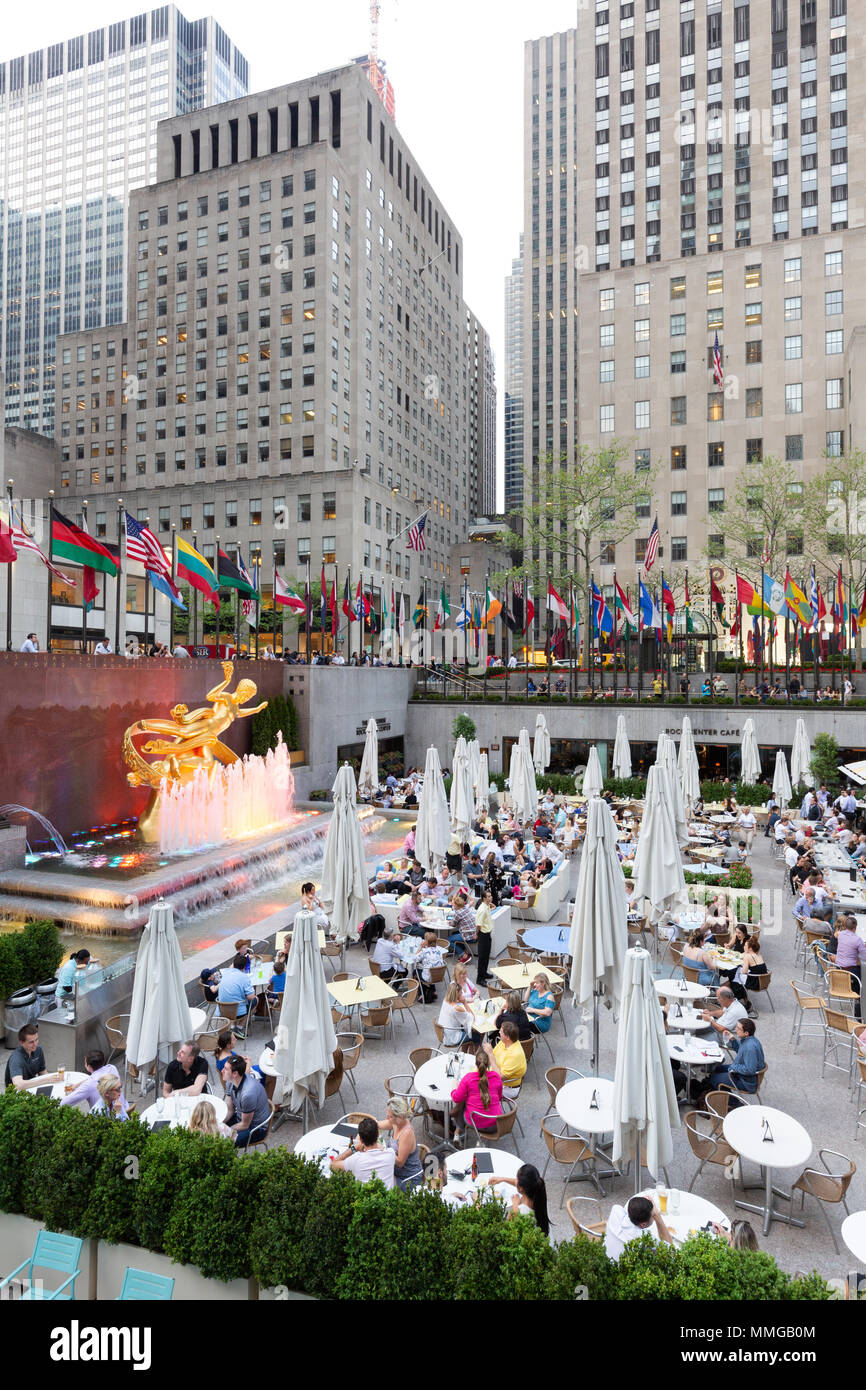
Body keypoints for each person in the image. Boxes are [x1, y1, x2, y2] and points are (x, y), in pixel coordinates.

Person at [450, 1045, 504, 1141]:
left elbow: (456, 1098)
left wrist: (454, 1086)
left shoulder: (468, 1078)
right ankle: (457, 1133)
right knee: (467, 1099)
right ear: (489, 1063)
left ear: (475, 1063)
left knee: (464, 1101)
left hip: (475, 1123)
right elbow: (499, 1098)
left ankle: (458, 1132)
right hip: (496, 1124)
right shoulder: (496, 1077)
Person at [330, 1115, 396, 1188]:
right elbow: (380, 1149)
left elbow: (333, 1165)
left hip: (364, 1197)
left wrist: (354, 1148)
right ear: (377, 1135)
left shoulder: (356, 1159)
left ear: (361, 1140)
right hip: (388, 1197)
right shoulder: (390, 1153)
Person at [486, 1163, 551, 1236]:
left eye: (516, 1178)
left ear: (521, 1188)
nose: (515, 1180)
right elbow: (522, 1184)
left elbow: (504, 1233)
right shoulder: (539, 1196)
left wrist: (515, 1205)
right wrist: (502, 1179)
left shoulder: (518, 1211)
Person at [706, 1018, 766, 1095]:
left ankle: (735, 1103)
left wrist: (734, 1067)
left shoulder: (749, 1048)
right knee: (716, 1069)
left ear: (746, 1033)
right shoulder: (749, 1040)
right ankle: (719, 1091)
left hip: (746, 1082)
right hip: (742, 1072)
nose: (735, 1029)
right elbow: (741, 1052)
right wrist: (733, 1040)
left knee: (714, 1078)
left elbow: (750, 1070)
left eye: (738, 1028)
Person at [604, 1196, 674, 1260]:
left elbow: (629, 1205)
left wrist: (641, 1203)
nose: (654, 1216)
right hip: (621, 1270)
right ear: (643, 1224)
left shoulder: (615, 1210)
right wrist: (657, 1215)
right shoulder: (643, 1238)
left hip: (605, 1256)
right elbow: (670, 1249)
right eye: (653, 1216)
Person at [223, 1056, 271, 1148]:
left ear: (235, 1073)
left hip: (255, 1128)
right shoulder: (230, 1081)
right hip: (240, 1118)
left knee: (223, 1144)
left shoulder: (248, 1094)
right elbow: (230, 1110)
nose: (222, 1071)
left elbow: (245, 1125)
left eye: (225, 1069)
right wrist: (219, 1123)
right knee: (211, 1130)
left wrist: (225, 1130)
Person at [377, 1098, 424, 1188]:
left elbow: (400, 1162)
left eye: (390, 1116)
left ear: (400, 1116)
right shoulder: (396, 1123)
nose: (387, 1118)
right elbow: (378, 1124)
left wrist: (383, 1149)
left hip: (408, 1179)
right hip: (396, 1172)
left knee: (379, 1182)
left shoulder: (406, 1133)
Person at [60, 1049, 126, 1111]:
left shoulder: (89, 1085)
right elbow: (95, 1077)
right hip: (124, 1109)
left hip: (106, 1118)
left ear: (88, 1067)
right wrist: (77, 1085)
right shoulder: (111, 1068)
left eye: (85, 1063)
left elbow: (64, 1103)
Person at [833, 916, 866, 1019]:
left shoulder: (840, 935)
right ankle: (861, 1001)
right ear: (855, 928)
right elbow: (864, 956)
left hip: (838, 969)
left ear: (844, 926)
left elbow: (837, 935)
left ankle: (858, 998)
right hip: (851, 973)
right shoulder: (858, 940)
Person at [4, 1023, 50, 1090]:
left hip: (32, 1087)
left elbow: (42, 1072)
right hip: (17, 1094)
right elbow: (18, 1085)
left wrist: (53, 1078)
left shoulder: (38, 1050)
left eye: (36, 1040)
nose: (35, 1044)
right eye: (31, 1042)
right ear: (21, 1042)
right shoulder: (16, 1058)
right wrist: (46, 1080)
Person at [217, 952, 256, 1028]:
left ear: (233, 964)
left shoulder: (225, 973)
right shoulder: (244, 977)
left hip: (222, 1011)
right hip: (237, 1013)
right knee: (255, 1000)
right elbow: (251, 997)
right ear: (244, 967)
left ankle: (232, 1025)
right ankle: (240, 1026)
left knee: (234, 997)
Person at [492, 1022, 527, 1096]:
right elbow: (493, 1054)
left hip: (507, 1088)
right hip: (494, 1077)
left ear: (507, 1037)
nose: (499, 1032)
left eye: (501, 1032)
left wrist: (490, 1056)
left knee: (473, 1089)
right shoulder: (504, 1042)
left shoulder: (515, 1054)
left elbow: (500, 1077)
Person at [437, 981, 474, 1046]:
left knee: (466, 1029)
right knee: (477, 1035)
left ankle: (464, 1052)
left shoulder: (445, 1000)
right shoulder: (457, 1008)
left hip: (444, 1033)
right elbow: (472, 1018)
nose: (462, 995)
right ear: (457, 995)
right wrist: (465, 1003)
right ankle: (472, 1055)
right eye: (461, 993)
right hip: (452, 1038)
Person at [414, 931, 445, 1003]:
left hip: (429, 977)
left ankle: (421, 994)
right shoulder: (439, 950)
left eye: (425, 940)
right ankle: (433, 991)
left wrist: (421, 947)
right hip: (439, 975)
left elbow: (415, 958)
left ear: (427, 942)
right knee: (429, 969)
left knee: (415, 972)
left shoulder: (424, 951)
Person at [474, 887, 495, 986]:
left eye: (490, 896)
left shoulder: (487, 905)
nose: (491, 898)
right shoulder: (482, 909)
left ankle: (484, 973)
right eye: (488, 896)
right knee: (482, 957)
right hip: (483, 935)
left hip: (488, 934)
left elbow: (491, 906)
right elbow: (478, 924)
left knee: (486, 956)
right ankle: (480, 978)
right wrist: (476, 934)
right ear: (483, 898)